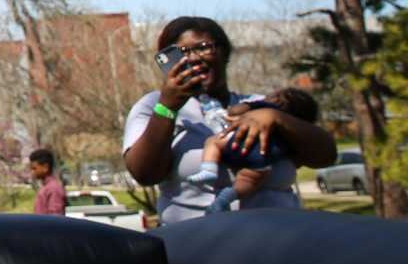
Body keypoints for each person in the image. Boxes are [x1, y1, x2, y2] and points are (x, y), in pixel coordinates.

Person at [122, 15, 335, 224]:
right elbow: (145, 174)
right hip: (197, 243)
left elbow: (325, 156)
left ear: (225, 53)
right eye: (182, 52)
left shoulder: (265, 104)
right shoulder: (153, 106)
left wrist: (276, 118)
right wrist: (167, 109)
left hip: (277, 240)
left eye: (204, 47)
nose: (194, 58)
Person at [193, 86, 320, 213]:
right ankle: (225, 199)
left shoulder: (265, 107)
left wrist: (237, 109)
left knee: (213, 142)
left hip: (241, 145)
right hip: (264, 160)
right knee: (249, 180)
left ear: (276, 99)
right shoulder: (290, 130)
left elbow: (234, 111)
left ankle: (209, 169)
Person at [30, 148, 66, 215]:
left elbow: (55, 218)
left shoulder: (53, 188)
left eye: (34, 168)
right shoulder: (46, 188)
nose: (32, 172)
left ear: (45, 167)